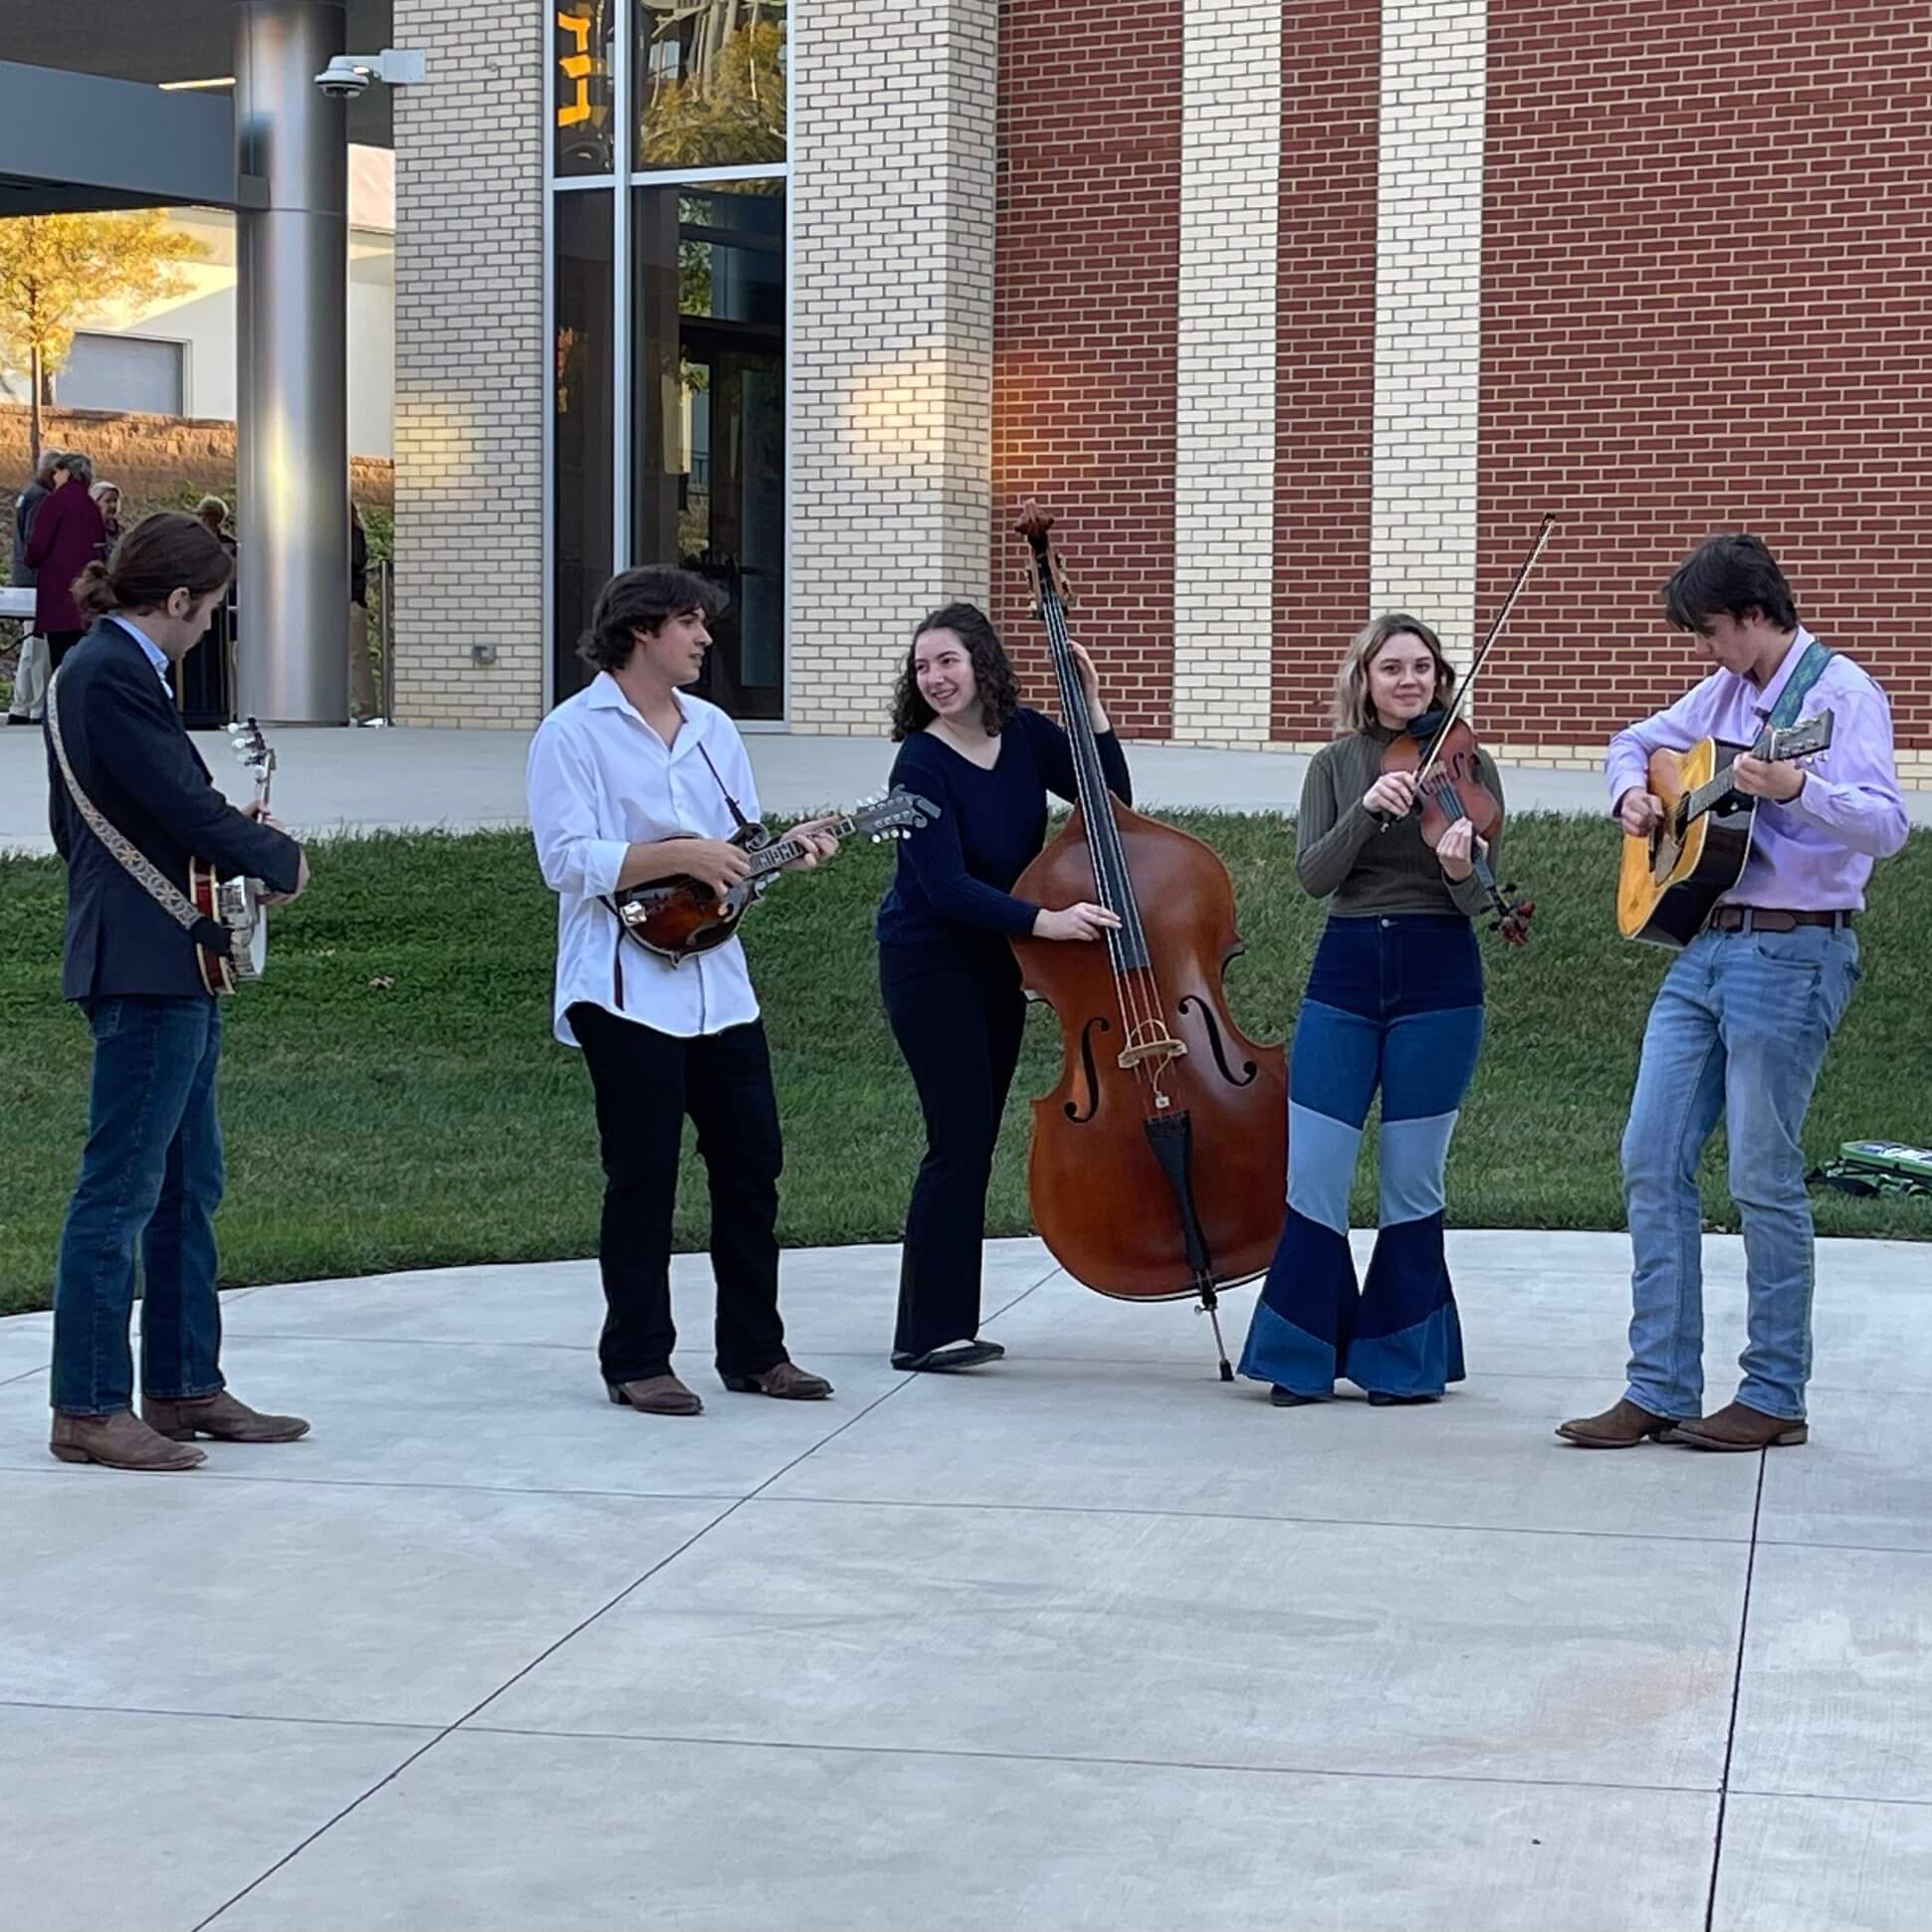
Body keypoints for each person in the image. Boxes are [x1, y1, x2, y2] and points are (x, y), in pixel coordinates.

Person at [1560, 534, 1907, 1451]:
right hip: (1702, 949)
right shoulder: (1725, 693)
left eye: (1710, 630)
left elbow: (1887, 824)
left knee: (1759, 1170)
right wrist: (1631, 794)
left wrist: (1797, 784)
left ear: (1754, 614)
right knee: (1649, 1154)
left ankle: (1773, 1394)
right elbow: (1632, 741)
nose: (1703, 650)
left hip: (1793, 953)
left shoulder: (1839, 694)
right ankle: (1658, 1385)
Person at [527, 565, 839, 1417]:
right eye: (689, 623)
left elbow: (734, 863)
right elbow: (564, 859)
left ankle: (755, 1351)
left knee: (752, 1166)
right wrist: (678, 854)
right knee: (643, 1173)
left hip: (719, 986)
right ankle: (637, 1359)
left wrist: (776, 857)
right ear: (639, 631)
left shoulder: (712, 730)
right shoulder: (572, 732)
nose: (704, 639)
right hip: (622, 989)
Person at [43, 513, 311, 1472]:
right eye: (212, 609)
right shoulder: (111, 671)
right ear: (182, 598)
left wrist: (213, 846)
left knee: (186, 1184)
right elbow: (174, 801)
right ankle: (87, 1404)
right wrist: (275, 854)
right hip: (143, 963)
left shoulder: (108, 670)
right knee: (119, 1191)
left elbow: (140, 810)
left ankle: (186, 1382)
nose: (211, 628)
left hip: (164, 954)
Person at [1238, 614, 1500, 1408]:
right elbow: (1315, 876)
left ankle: (1400, 1357)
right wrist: (1367, 812)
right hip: (1346, 974)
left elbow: (1481, 895)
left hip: (1439, 980)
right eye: (1392, 668)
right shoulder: (1333, 764)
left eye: (1422, 667)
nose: (1409, 680)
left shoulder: (1468, 762)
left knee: (1409, 1178)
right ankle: (1300, 1351)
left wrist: (1460, 866)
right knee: (1313, 1171)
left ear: (1439, 678)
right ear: (1364, 680)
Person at [875, 602, 1127, 1374]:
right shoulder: (917, 763)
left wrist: (1091, 710)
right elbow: (945, 886)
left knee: (973, 1139)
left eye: (946, 661)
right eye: (922, 667)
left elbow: (1108, 802)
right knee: (956, 1139)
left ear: (981, 662)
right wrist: (1045, 922)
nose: (935, 678)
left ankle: (940, 1321)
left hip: (999, 961)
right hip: (929, 962)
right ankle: (924, 1332)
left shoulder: (1022, 737)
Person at [25, 451, 106, 671]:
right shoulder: (92, 507)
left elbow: (38, 546)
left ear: (67, 472)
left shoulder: (55, 502)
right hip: (87, 596)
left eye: (57, 471)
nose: (54, 477)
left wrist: (30, 560)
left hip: (58, 593)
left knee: (59, 662)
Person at [6, 447, 63, 725]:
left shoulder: (27, 493)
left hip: (22, 577)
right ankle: (37, 706)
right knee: (39, 645)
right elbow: (35, 540)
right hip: (36, 580)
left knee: (31, 645)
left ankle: (22, 704)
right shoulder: (41, 498)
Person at [348, 500, 376, 723]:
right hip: (345, 601)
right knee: (355, 657)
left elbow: (354, 563)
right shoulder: (353, 532)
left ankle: (365, 710)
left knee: (356, 657)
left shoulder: (353, 533)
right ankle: (359, 708)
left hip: (350, 601)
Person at [90, 481, 123, 554]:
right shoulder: (88, 532)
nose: (113, 506)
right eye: (107, 501)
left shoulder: (122, 532)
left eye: (115, 501)